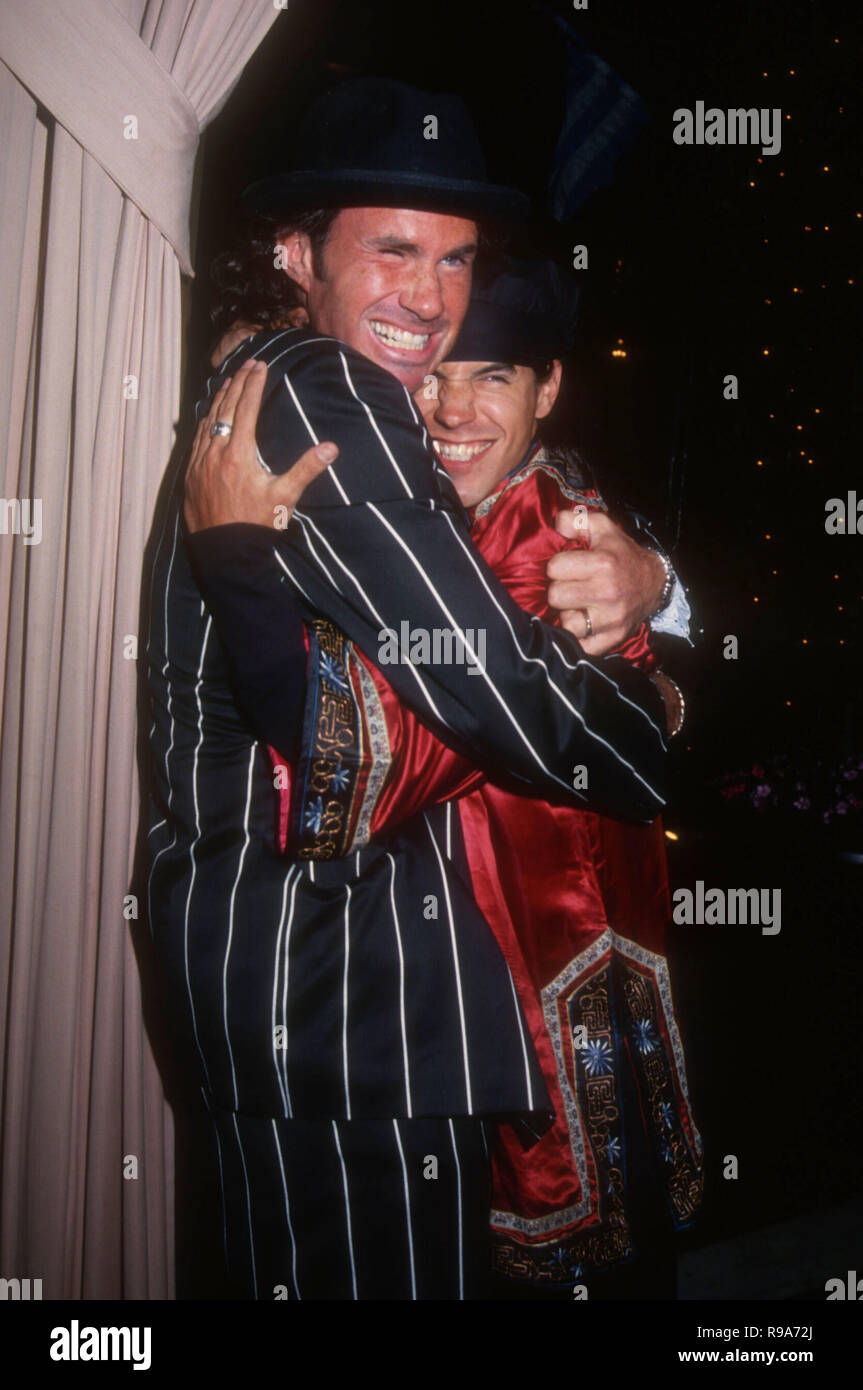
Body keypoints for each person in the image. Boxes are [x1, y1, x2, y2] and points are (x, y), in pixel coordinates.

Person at [146, 77, 673, 1301]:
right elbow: (475, 700)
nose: (429, 303)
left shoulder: (274, 388)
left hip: (323, 1001)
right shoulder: (327, 391)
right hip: (345, 1003)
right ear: (294, 253)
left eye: (455, 259)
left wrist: (645, 584)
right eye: (392, 249)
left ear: (550, 390)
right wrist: (647, 727)